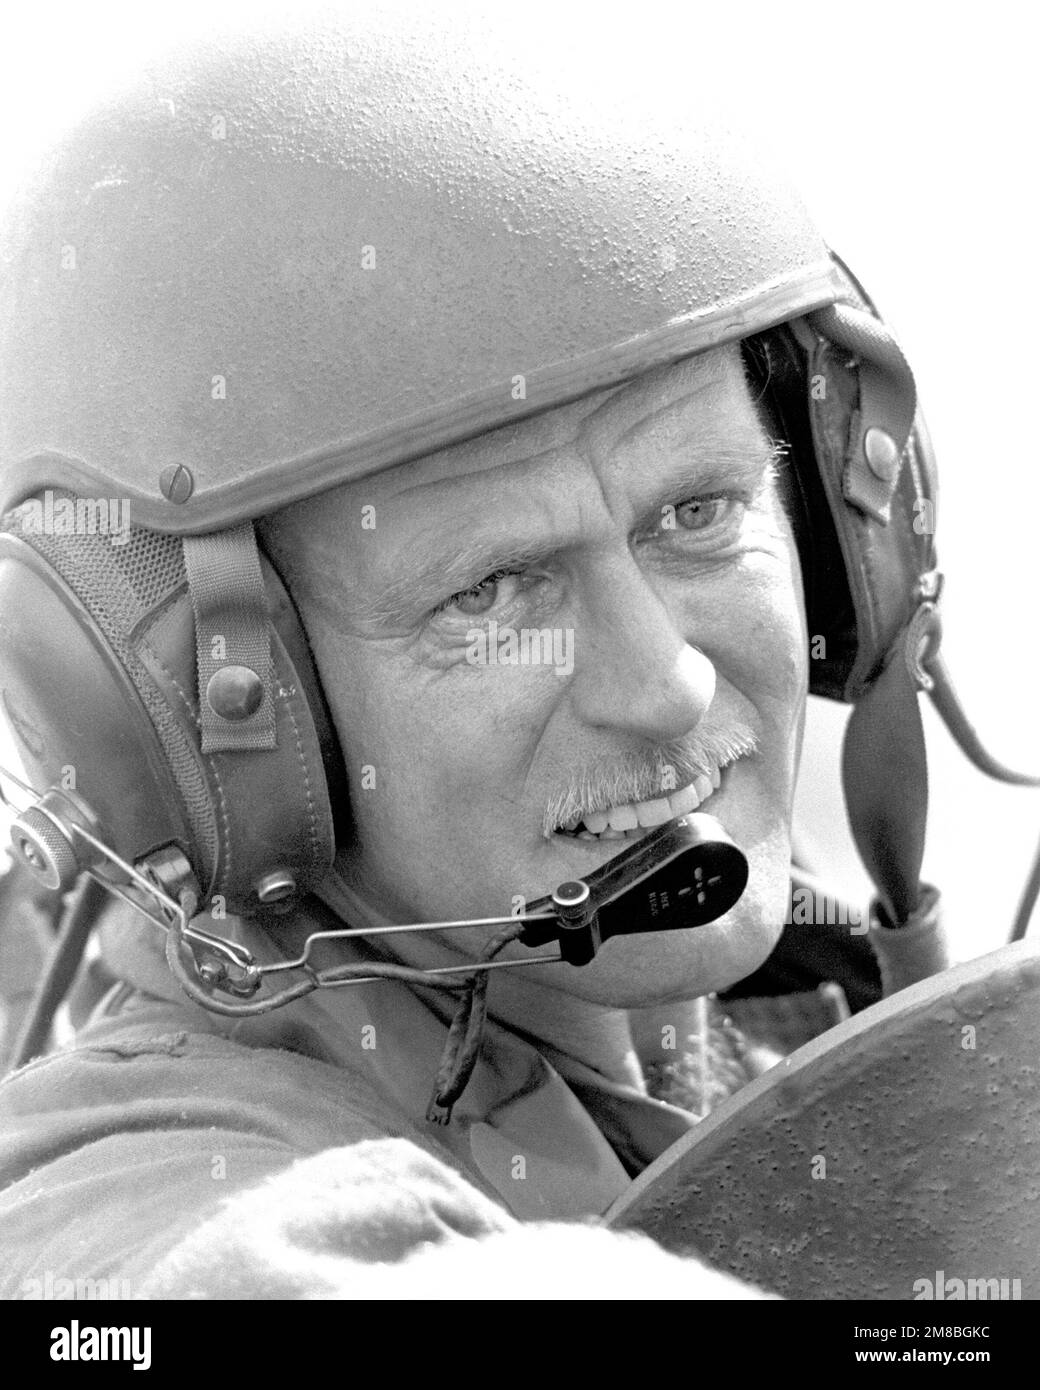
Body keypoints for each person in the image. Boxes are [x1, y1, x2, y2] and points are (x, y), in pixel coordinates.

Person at [0, 13, 963, 1299]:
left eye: (697, 513)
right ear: (210, 730)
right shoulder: (129, 1175)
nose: (665, 685)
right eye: (491, 591)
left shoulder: (796, 1002)